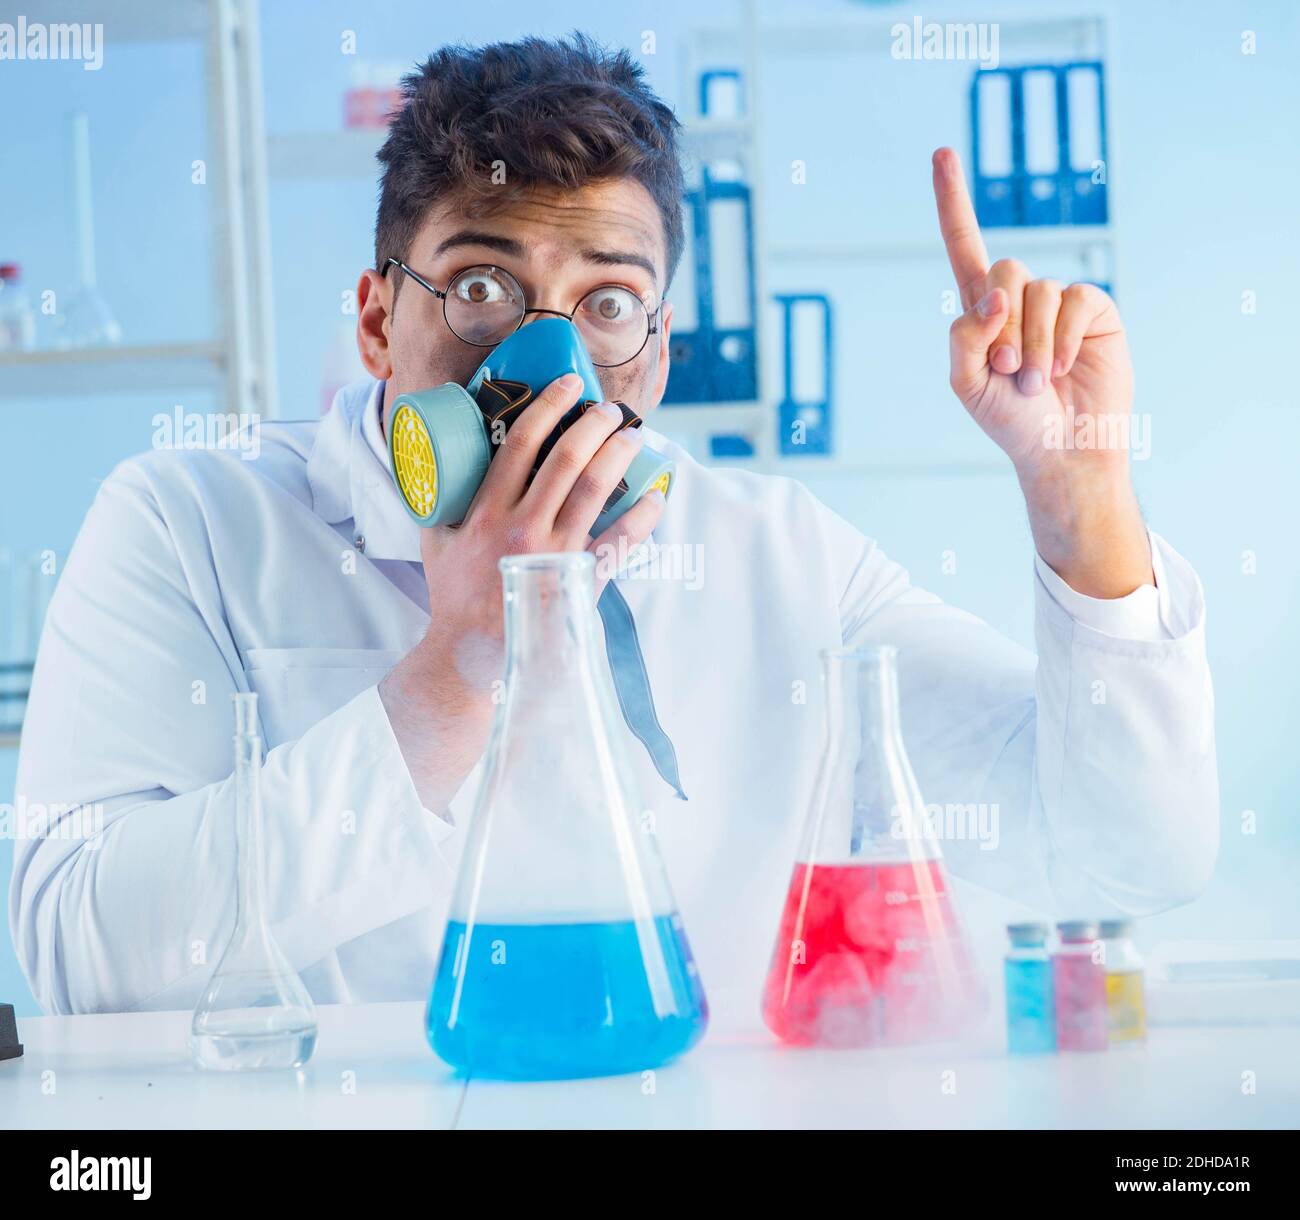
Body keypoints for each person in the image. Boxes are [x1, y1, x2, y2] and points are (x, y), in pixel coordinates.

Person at [11, 35, 1217, 1017]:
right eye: (480, 289)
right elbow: (75, 959)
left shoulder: (776, 552)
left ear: (661, 353)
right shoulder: (189, 522)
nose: (547, 361)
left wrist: (1083, 500)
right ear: (378, 322)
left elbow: (1124, 853)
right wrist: (455, 668)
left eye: (607, 302)